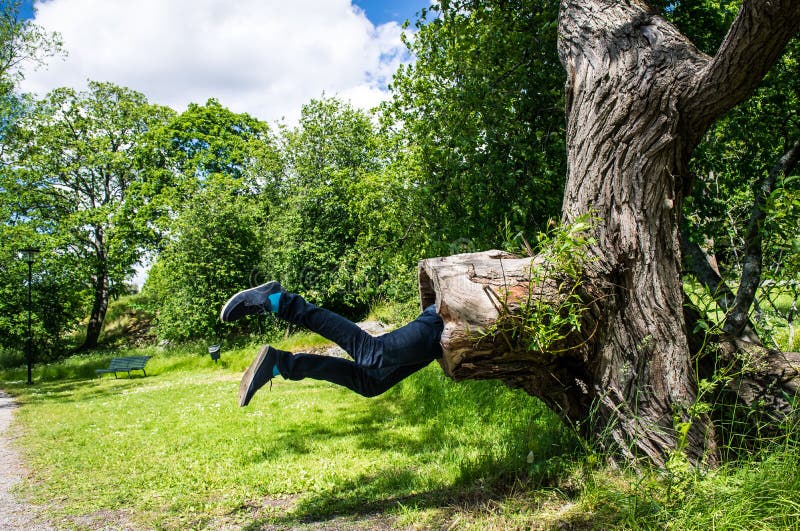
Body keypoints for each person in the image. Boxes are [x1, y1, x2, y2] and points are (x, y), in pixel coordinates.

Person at [220, 281, 445, 406]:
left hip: (448, 339)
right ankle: (279, 301)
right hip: (445, 320)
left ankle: (280, 364)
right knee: (374, 353)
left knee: (369, 383)